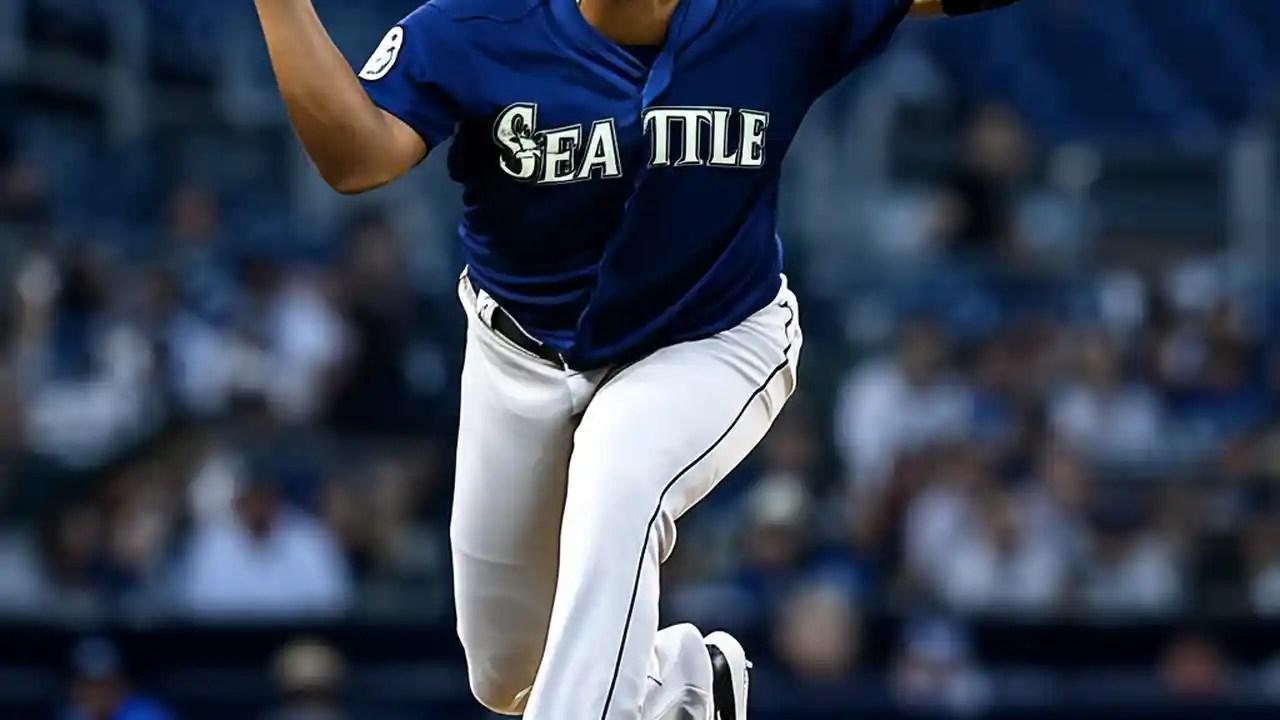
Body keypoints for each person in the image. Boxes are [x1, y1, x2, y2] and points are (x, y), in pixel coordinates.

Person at [251, 0, 1027, 717]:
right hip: (521, 355)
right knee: (508, 671)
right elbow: (356, 159)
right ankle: (685, 686)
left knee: (617, 477)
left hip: (710, 340)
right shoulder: (478, 23)